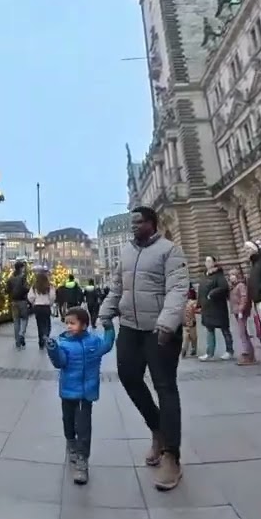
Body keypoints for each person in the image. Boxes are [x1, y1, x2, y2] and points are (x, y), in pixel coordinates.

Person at [98, 206, 188, 491]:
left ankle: (172, 456)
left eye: (138, 222)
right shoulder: (125, 252)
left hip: (160, 329)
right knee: (128, 376)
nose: (133, 226)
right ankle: (157, 429)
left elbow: (178, 289)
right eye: (131, 222)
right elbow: (117, 288)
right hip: (130, 327)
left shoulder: (169, 251)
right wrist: (105, 313)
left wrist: (166, 323)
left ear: (152, 223)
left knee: (165, 387)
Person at [46, 306, 115, 486]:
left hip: (86, 394)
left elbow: (107, 345)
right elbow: (60, 362)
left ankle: (82, 461)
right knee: (68, 421)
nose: (68, 326)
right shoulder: (64, 343)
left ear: (84, 325)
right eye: (67, 323)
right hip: (68, 392)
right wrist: (53, 350)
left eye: (73, 323)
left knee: (83, 427)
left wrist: (109, 328)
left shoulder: (93, 342)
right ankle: (71, 442)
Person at [198, 256, 233, 362]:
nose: (207, 263)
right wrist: (199, 304)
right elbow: (201, 291)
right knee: (209, 330)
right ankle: (209, 353)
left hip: (218, 307)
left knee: (225, 329)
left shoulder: (219, 275)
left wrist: (212, 294)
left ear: (214, 263)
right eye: (206, 261)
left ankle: (229, 351)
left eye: (209, 261)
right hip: (207, 308)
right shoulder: (204, 276)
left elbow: (224, 287)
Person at [228, 270, 255, 365]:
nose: (231, 277)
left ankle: (247, 354)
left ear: (237, 276)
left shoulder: (241, 285)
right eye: (230, 275)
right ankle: (251, 355)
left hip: (241, 312)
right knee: (244, 333)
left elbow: (244, 298)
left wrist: (240, 310)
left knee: (242, 333)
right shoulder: (233, 286)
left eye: (233, 275)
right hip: (237, 312)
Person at [29, 266, 55, 349]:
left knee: (39, 325)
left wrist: (34, 303)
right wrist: (50, 303)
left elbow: (30, 297)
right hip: (46, 307)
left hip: (37, 307)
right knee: (47, 323)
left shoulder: (34, 287)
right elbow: (52, 297)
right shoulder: (49, 286)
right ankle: (46, 335)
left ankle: (41, 342)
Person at [6, 260, 31, 349]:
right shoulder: (22, 277)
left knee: (16, 321)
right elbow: (26, 288)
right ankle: (21, 334)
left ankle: (17, 341)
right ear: (21, 268)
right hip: (22, 301)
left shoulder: (10, 278)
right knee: (24, 318)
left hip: (13, 301)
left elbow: (7, 290)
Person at [180, 284, 199, 358]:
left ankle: (184, 349)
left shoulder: (182, 302)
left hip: (184, 322)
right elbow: (197, 310)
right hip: (192, 322)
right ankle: (193, 349)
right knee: (194, 337)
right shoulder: (193, 302)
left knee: (185, 337)